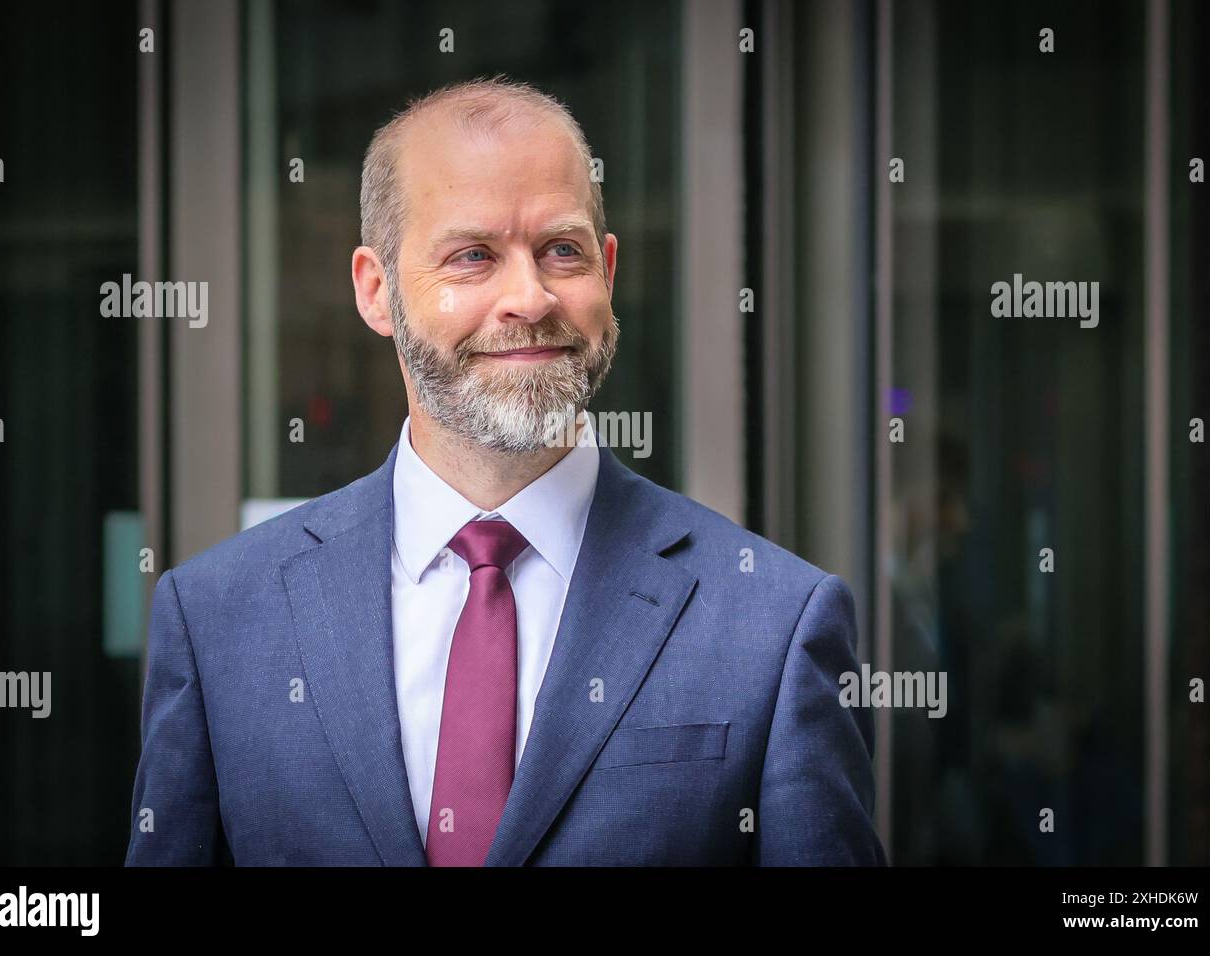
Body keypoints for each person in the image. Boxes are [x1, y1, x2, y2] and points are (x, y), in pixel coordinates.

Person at [125, 75, 885, 866]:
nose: (528, 295)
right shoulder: (218, 619)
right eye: (472, 256)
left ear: (608, 271)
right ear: (376, 290)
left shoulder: (774, 620)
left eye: (562, 250)